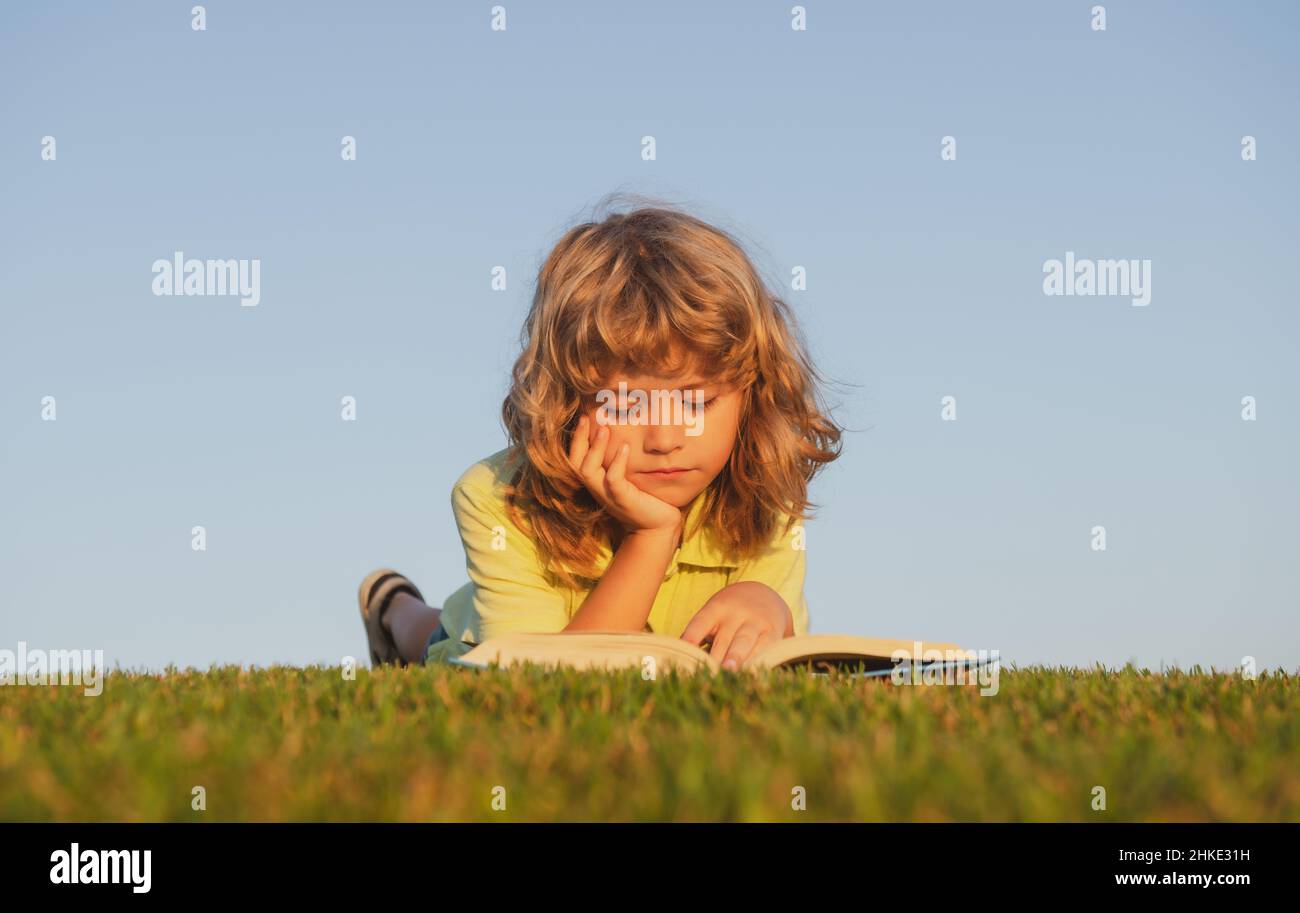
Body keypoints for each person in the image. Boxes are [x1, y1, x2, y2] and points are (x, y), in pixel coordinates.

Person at [359, 199, 843, 671]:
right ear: (566, 401)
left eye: (695, 402)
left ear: (751, 394)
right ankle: (391, 605)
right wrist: (651, 536)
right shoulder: (494, 498)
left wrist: (769, 607)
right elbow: (553, 682)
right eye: (628, 405)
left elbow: (780, 659)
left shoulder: (766, 493)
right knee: (430, 635)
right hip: (472, 636)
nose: (665, 439)